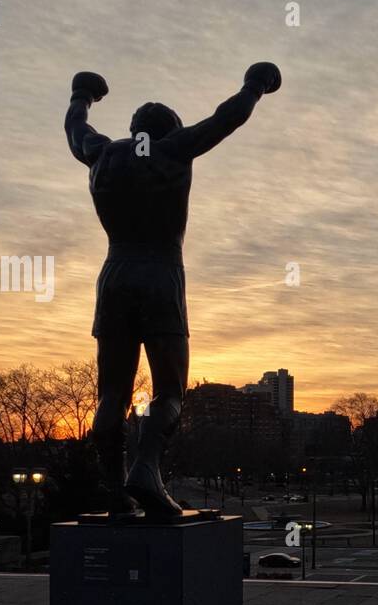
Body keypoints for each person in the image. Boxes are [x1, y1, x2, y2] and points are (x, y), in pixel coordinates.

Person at [64, 62, 281, 515]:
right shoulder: (173, 152)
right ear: (170, 132)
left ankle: (115, 493)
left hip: (115, 277)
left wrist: (82, 94)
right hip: (161, 277)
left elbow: (75, 129)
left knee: (112, 395)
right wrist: (255, 84)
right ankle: (144, 469)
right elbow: (227, 117)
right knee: (170, 393)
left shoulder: (102, 154)